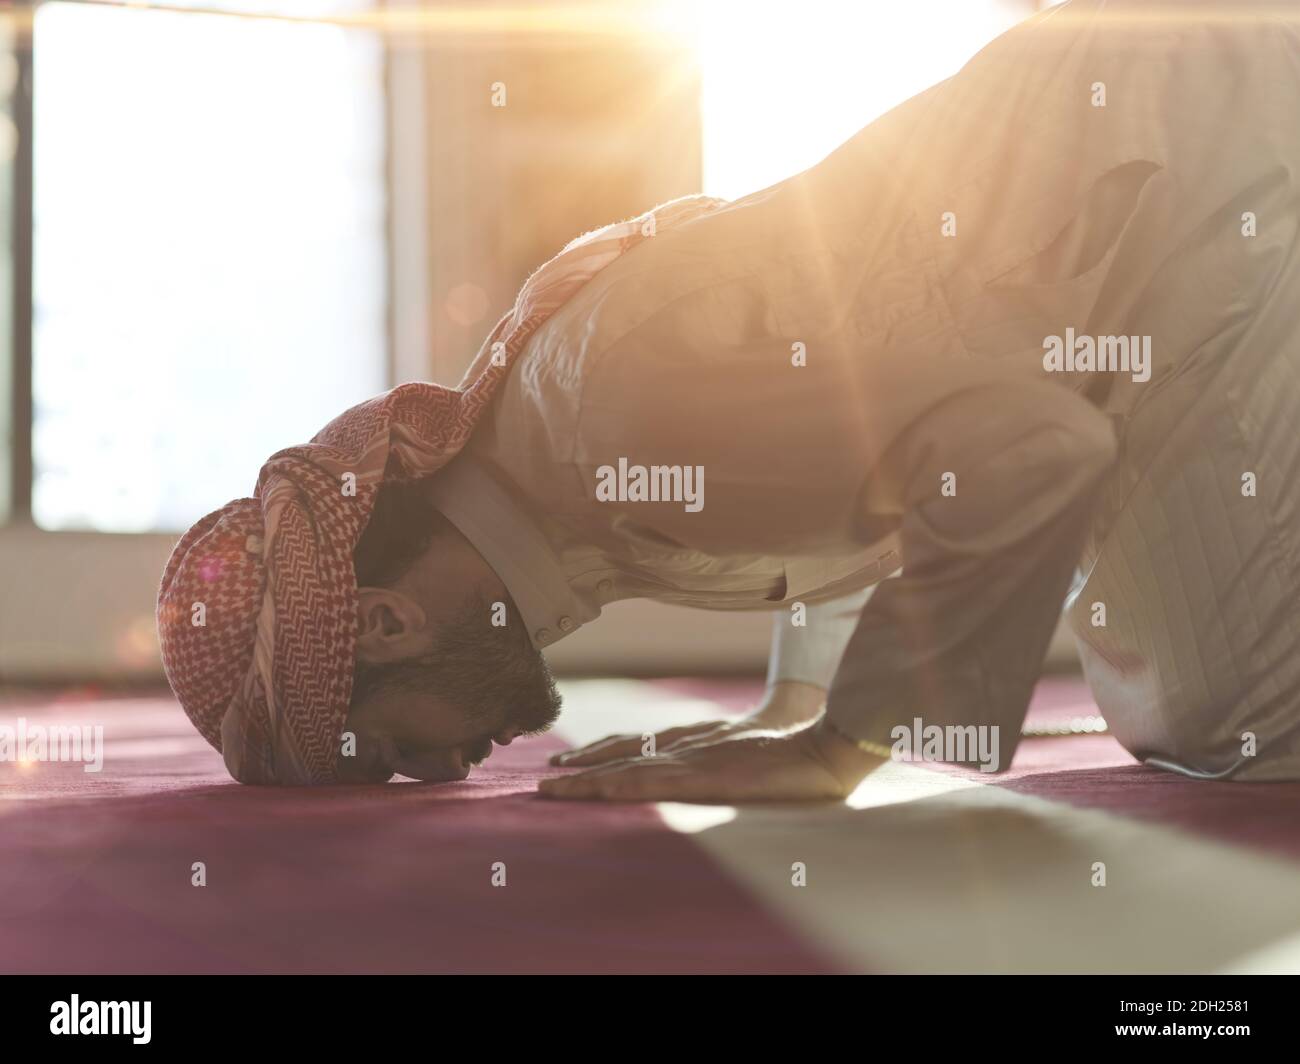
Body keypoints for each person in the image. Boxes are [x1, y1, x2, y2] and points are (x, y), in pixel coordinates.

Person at [157, 0, 1300, 795]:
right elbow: (864, 444)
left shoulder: (612, 425)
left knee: (1228, 718)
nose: (445, 769)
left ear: (383, 623)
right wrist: (799, 698)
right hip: (1124, 252)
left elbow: (1025, 447)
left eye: (386, 747)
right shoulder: (560, 470)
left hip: (1202, 148)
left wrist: (836, 755)